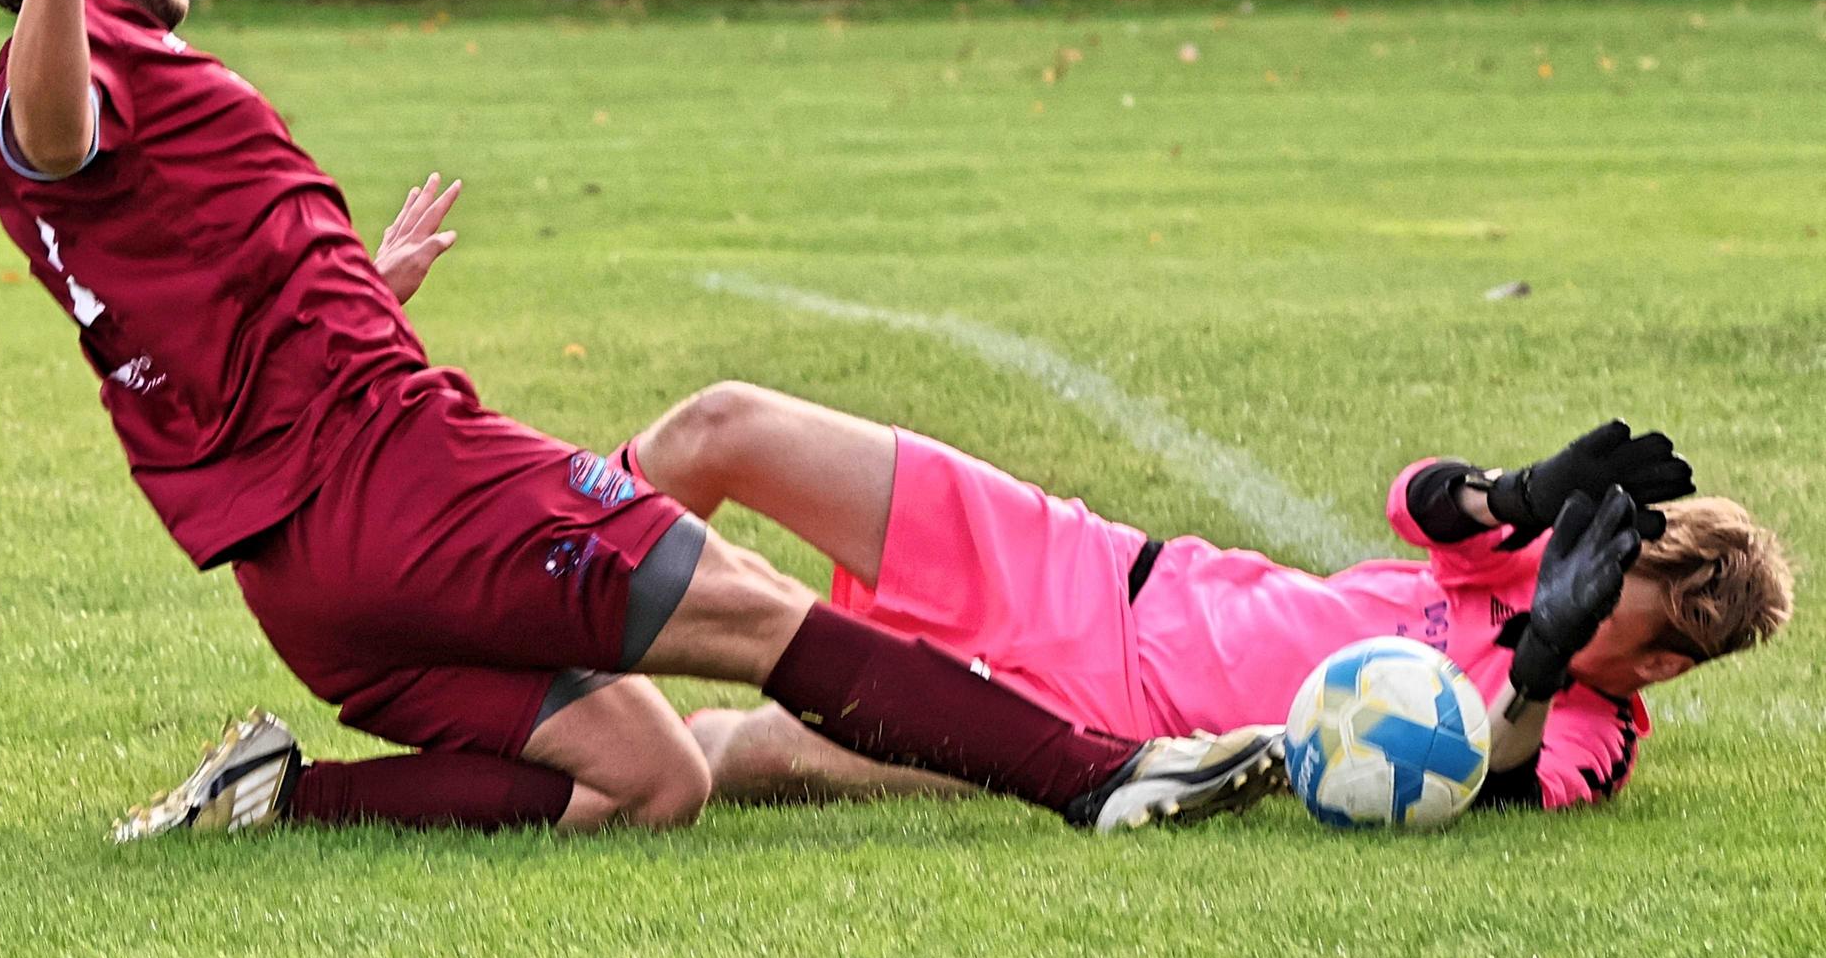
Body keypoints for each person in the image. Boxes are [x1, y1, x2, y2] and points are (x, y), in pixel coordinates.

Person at [0, 0, 1288, 844]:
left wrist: (350, 292)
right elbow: (57, 127)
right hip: (406, 490)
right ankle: (1105, 777)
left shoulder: (118, 87)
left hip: (313, 585)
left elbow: (188, 306)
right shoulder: (71, 65)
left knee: (647, 777)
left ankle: (282, 794)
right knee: (752, 610)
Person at [612, 386, 1791, 811]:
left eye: (1610, 605)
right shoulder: (1529, 557)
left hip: (1093, 735)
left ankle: (550, 729)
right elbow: (1415, 501)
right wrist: (1520, 492)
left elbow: (1501, 785)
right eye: (1603, 562)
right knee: (725, 428)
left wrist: (1538, 660)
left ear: (1659, 670)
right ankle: (516, 610)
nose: (1578, 586)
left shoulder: (1589, 732)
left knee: (738, 753)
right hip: (1083, 567)